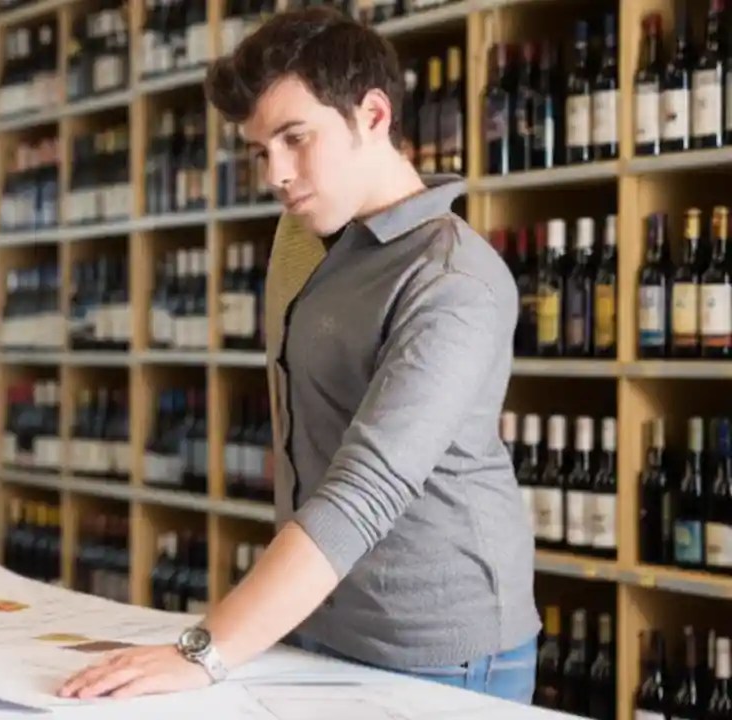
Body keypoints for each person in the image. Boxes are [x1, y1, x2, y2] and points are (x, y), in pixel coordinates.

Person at [57, 6, 540, 704]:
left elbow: (364, 491)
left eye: (295, 138)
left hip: (437, 648)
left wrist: (205, 651)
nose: (276, 175)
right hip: (316, 621)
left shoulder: (453, 281)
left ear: (373, 115)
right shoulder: (302, 237)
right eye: (261, 151)